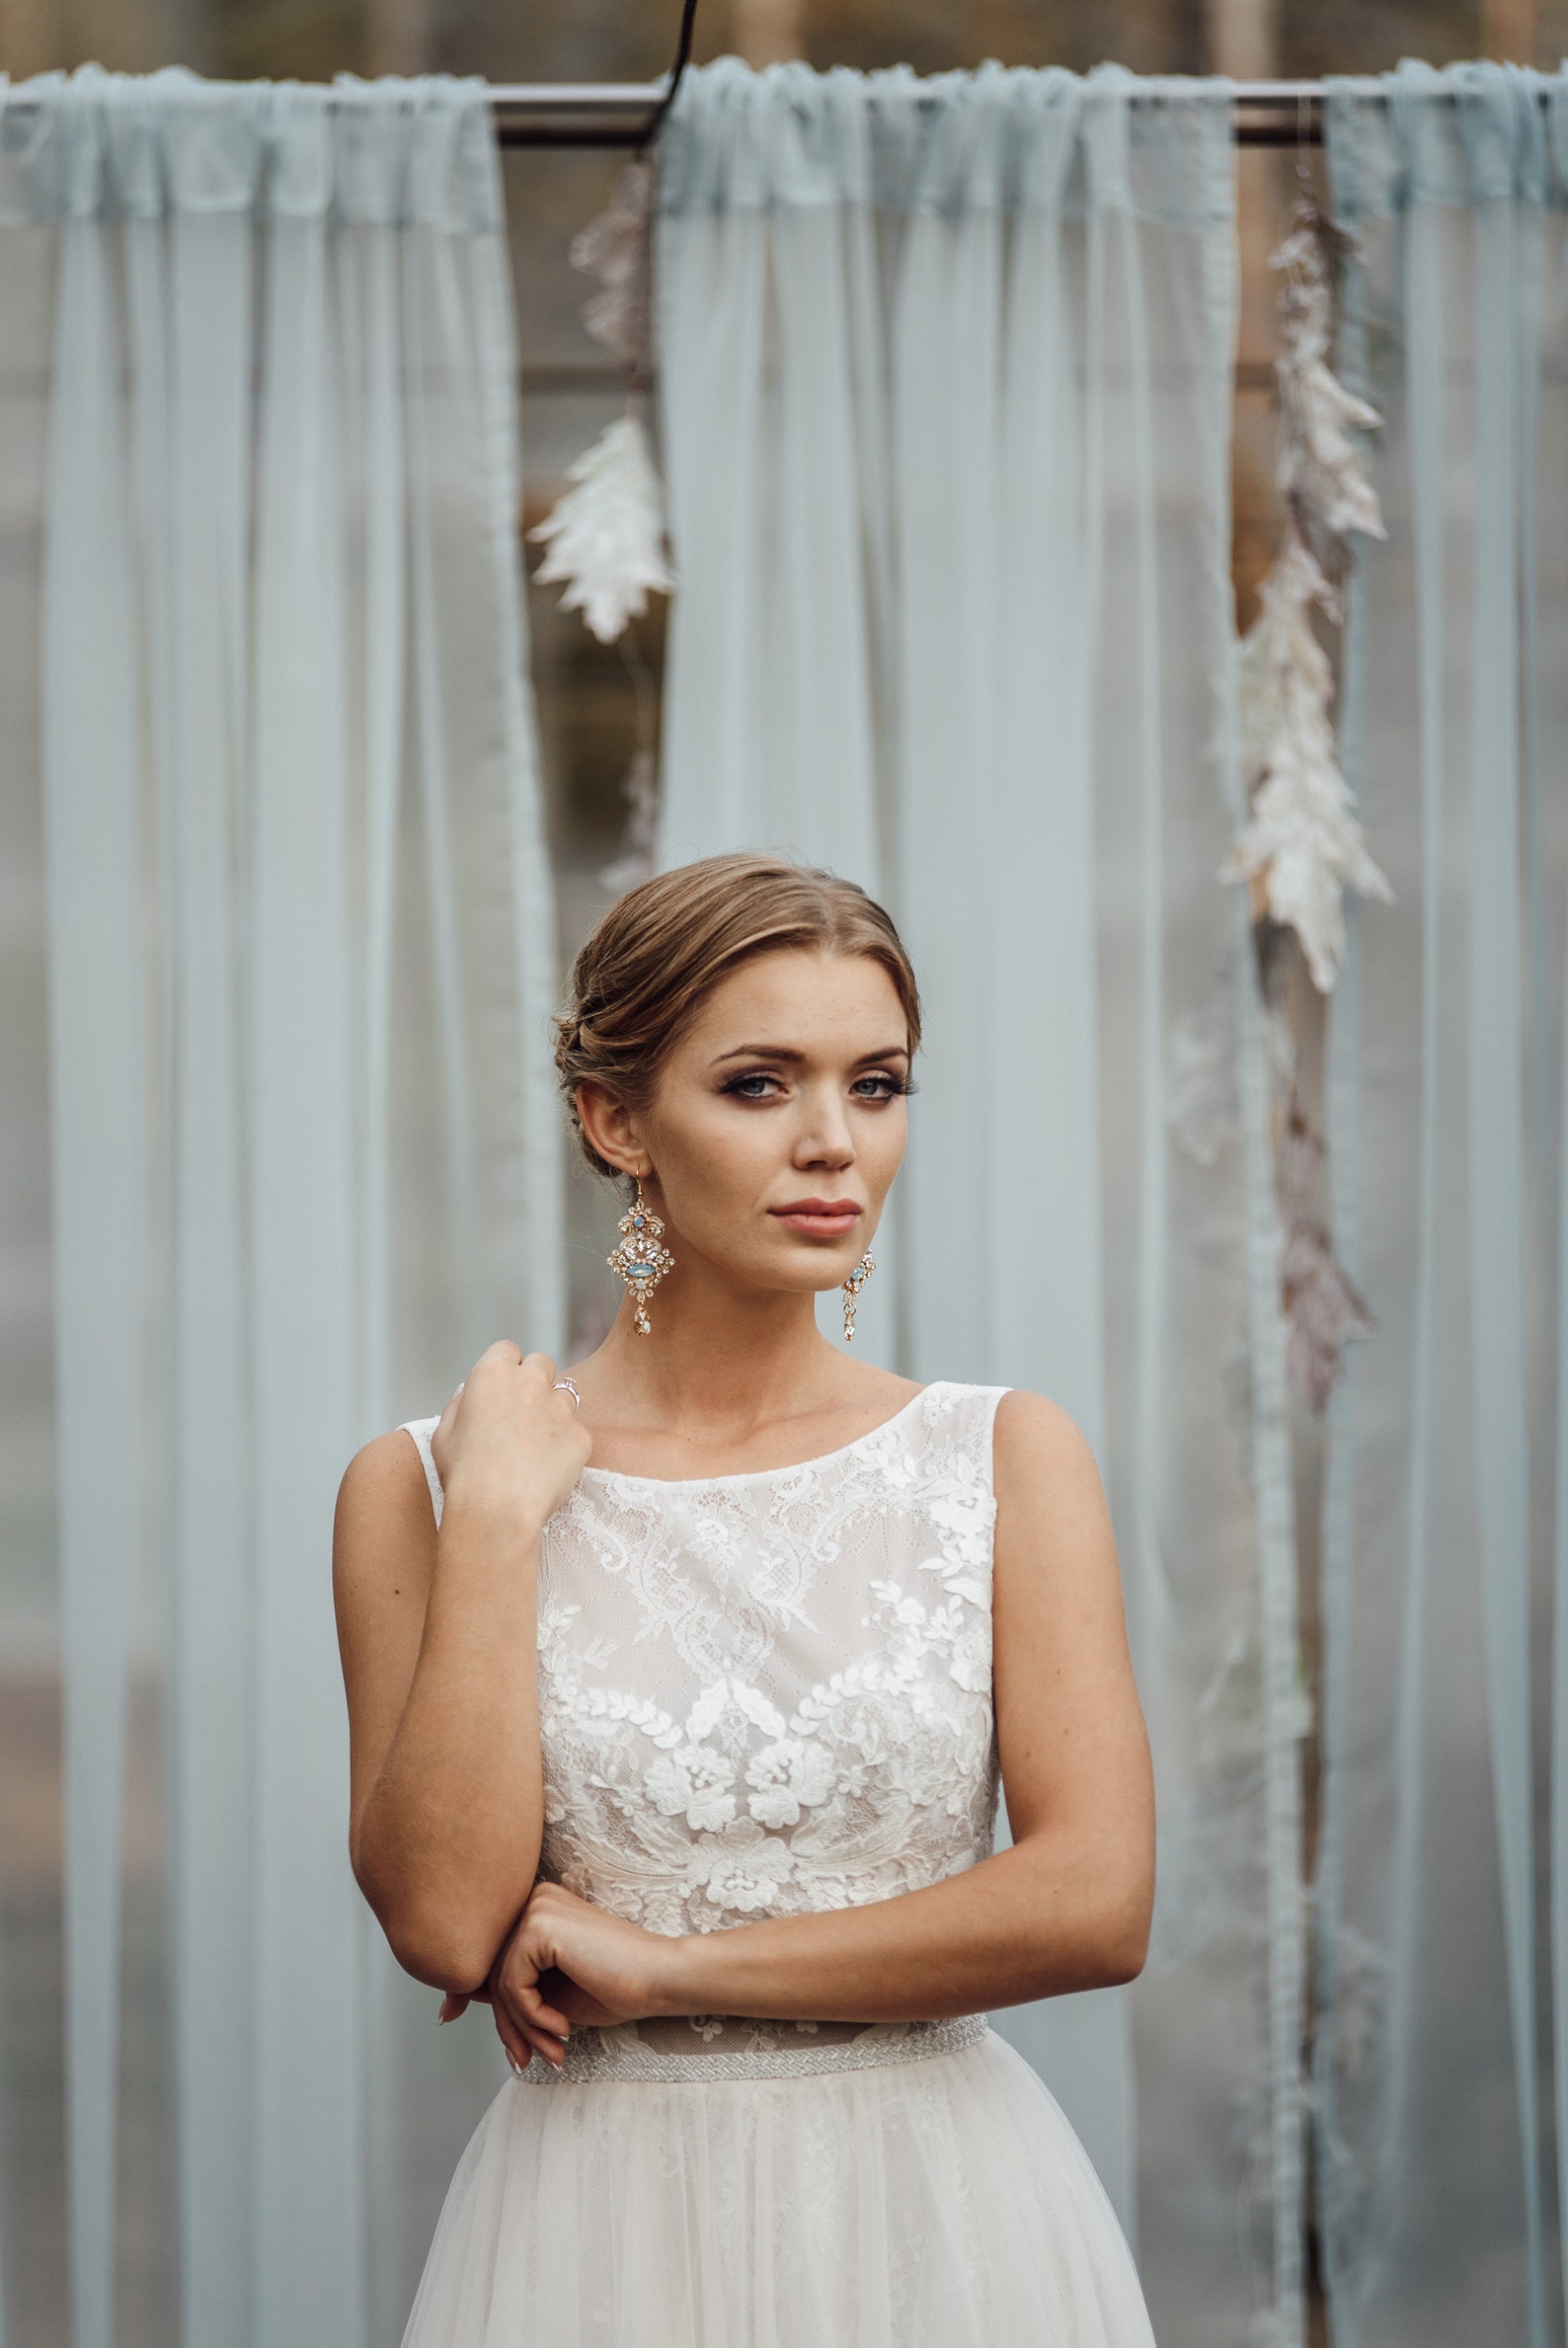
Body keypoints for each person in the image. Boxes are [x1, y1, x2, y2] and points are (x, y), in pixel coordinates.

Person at [333, 852, 1158, 2344]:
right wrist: (505, 1523)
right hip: (601, 2238)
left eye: (879, 1083)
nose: (836, 1143)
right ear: (615, 1119)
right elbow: (449, 1926)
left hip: (946, 2223)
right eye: (762, 1085)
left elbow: (1097, 1901)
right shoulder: (430, 1487)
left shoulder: (1002, 1455)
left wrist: (674, 1968)